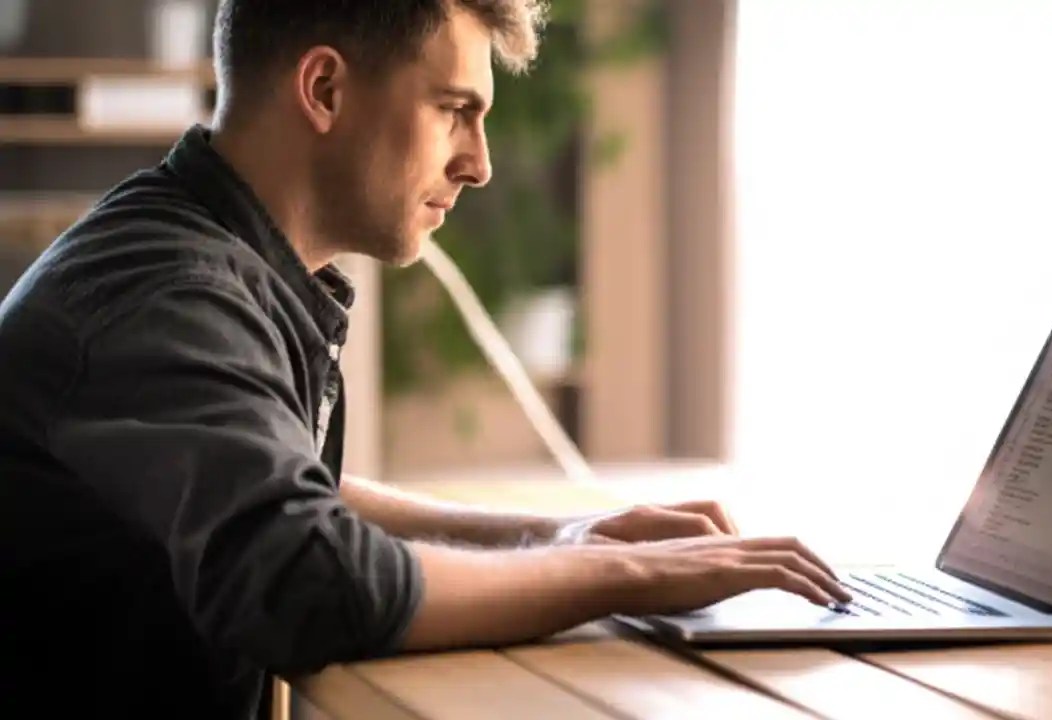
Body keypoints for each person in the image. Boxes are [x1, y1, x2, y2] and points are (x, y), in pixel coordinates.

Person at [0, 1, 851, 718]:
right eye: (455, 109)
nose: (478, 164)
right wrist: (621, 572)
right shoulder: (168, 292)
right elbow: (310, 578)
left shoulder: (205, 259)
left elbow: (290, 491)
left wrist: (558, 532)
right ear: (324, 88)